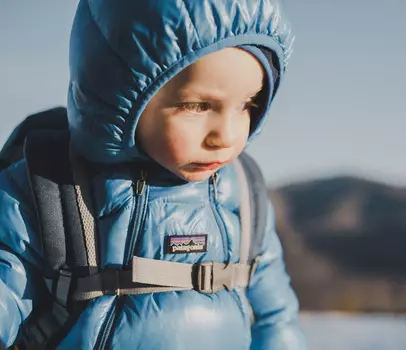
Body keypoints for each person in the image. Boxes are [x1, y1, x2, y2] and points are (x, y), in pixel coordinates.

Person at [0, 0, 307, 349]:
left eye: (247, 105)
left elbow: (276, 318)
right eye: (197, 106)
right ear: (120, 91)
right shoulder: (51, 192)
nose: (226, 135)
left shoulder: (245, 197)